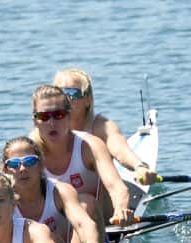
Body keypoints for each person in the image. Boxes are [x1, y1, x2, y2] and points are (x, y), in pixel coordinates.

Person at [28, 85, 135, 231]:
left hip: (98, 225)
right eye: (44, 117)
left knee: (84, 203)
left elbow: (116, 186)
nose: (51, 123)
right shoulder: (27, 156)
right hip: (51, 233)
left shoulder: (90, 146)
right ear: (35, 121)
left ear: (69, 115)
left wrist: (121, 208)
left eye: (58, 115)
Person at [0, 136, 108, 243]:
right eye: (14, 164)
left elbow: (82, 222)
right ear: (5, 170)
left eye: (30, 161)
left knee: (83, 207)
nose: (22, 169)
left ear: (41, 165)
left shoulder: (60, 191)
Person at [52, 67, 157, 186]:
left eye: (73, 94)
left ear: (88, 99)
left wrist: (139, 166)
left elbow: (119, 149)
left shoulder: (102, 127)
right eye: (60, 93)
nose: (65, 100)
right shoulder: (45, 128)